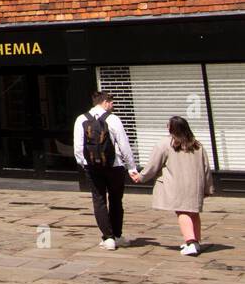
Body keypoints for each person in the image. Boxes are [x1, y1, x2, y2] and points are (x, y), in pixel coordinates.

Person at [132, 116, 214, 256]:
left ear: (172, 128)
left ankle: (191, 242)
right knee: (193, 212)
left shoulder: (165, 144)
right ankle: (196, 242)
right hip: (195, 185)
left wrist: (141, 177)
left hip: (176, 185)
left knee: (182, 212)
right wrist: (208, 187)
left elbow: (153, 165)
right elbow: (206, 168)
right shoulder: (197, 145)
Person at [73, 90, 138, 249]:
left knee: (99, 200)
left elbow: (78, 148)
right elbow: (124, 145)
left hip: (92, 167)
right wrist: (132, 167)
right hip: (114, 166)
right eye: (112, 102)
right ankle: (117, 235)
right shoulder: (113, 119)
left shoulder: (81, 119)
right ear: (105, 102)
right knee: (116, 200)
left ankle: (107, 238)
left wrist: (85, 164)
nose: (113, 105)